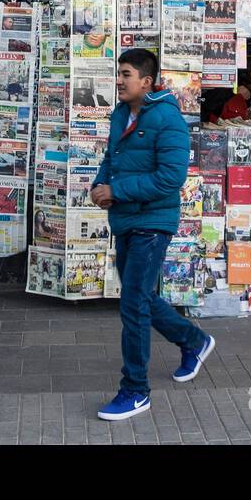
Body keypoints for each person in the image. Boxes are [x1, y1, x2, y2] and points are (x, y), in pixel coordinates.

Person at [90, 48, 215, 422]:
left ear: (146, 80)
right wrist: (100, 185)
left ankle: (135, 390)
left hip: (153, 222)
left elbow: (170, 179)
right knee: (140, 296)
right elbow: (111, 160)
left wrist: (119, 191)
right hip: (125, 220)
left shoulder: (168, 118)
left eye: (126, 74)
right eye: (119, 73)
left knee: (132, 303)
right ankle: (194, 340)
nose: (119, 80)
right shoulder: (119, 114)